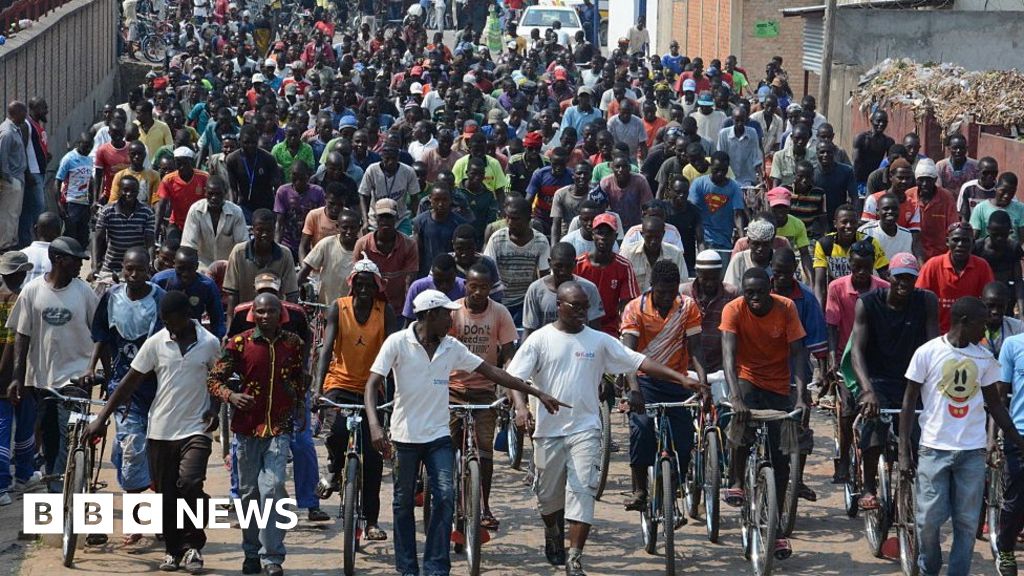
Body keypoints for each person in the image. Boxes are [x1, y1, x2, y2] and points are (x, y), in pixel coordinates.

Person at [363, 289, 565, 576]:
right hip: (404, 437)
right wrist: (374, 425)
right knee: (402, 503)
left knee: (445, 496)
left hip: (438, 437)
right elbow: (372, 385)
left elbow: (493, 372)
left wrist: (535, 392)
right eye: (446, 313)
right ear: (430, 315)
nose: (451, 318)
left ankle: (436, 567)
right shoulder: (397, 342)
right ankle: (407, 568)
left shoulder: (451, 347)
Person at [507, 281, 701, 575]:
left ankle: (575, 557)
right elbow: (515, 379)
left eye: (586, 307)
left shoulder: (599, 341)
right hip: (548, 433)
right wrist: (521, 408)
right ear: (559, 305)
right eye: (576, 306)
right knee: (548, 499)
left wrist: (681, 378)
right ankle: (552, 530)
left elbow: (640, 361)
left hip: (586, 430)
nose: (583, 312)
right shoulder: (539, 340)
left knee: (583, 491)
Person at [84, 291, 221, 574]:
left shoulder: (209, 343)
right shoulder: (156, 343)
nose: (168, 327)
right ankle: (173, 551)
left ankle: (194, 546)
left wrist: (215, 408)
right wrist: (101, 418)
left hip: (196, 428)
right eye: (164, 322)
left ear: (186, 316)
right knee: (167, 495)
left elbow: (218, 378)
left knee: (191, 482)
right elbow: (128, 384)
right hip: (160, 430)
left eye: (172, 322)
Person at [901, 296, 1024, 576]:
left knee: (967, 524)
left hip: (972, 452)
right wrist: (904, 453)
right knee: (929, 521)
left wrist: (1017, 440)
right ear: (964, 322)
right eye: (981, 324)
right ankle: (928, 567)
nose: (985, 330)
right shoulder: (927, 352)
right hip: (933, 449)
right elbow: (908, 402)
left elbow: (995, 405)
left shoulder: (984, 359)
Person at [208, 293, 305, 576]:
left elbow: (299, 378)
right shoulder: (239, 343)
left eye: (271, 311)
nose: (265, 316)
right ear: (253, 314)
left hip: (280, 428)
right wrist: (232, 396)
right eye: (260, 311)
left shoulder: (293, 343)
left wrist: (299, 407)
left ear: (280, 314)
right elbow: (214, 380)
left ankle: (272, 556)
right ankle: (251, 552)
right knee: (249, 494)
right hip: (247, 429)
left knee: (273, 489)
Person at [720, 267, 808, 559]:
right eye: (749, 292)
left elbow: (798, 353)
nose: (754, 298)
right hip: (747, 378)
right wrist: (736, 397)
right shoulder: (733, 309)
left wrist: (801, 393)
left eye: (760, 291)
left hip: (779, 385)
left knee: (782, 462)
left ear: (770, 287)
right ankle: (735, 480)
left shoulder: (786, 308)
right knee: (741, 422)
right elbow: (729, 357)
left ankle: (778, 530)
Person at [315, 258, 399, 542]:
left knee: (374, 458)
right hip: (339, 383)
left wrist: (395, 395)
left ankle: (372, 521)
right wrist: (317, 390)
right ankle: (335, 469)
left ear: (377, 288)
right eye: (359, 284)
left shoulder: (385, 311)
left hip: (371, 388)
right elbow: (326, 349)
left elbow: (393, 355)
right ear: (352, 286)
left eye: (369, 285)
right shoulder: (338, 308)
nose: (364, 289)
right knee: (338, 431)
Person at [6, 237, 98, 493]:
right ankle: (59, 495)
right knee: (50, 441)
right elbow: (21, 335)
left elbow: (101, 336)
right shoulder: (32, 291)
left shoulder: (84, 292)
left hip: (77, 381)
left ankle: (68, 492)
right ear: (58, 260)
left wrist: (100, 372)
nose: (81, 264)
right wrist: (18, 376)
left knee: (71, 439)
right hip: (42, 381)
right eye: (75, 259)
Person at [87, 247, 163, 541]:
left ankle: (153, 515)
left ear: (148, 269)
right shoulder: (111, 298)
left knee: (154, 453)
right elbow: (102, 337)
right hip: (121, 387)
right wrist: (95, 367)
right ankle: (139, 521)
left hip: (155, 387)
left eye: (140, 269)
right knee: (130, 451)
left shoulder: (158, 299)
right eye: (129, 269)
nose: (134, 275)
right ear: (122, 269)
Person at [850, 252, 938, 508]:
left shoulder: (926, 301)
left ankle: (921, 489)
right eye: (899, 278)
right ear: (888, 276)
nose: (904, 284)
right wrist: (867, 390)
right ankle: (868, 488)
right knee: (874, 423)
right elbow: (857, 351)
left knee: (922, 435)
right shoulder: (868, 303)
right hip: (877, 379)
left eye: (910, 279)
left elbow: (933, 346)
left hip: (913, 380)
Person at [621, 261, 707, 510]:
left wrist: (701, 382)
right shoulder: (634, 309)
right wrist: (634, 390)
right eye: (662, 292)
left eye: (672, 292)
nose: (667, 297)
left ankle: (677, 481)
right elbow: (628, 356)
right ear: (652, 287)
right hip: (643, 382)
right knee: (642, 429)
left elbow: (696, 348)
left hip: (677, 380)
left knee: (684, 439)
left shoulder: (687, 307)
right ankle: (639, 489)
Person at [447, 263, 517, 530]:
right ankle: (444, 498)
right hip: (453, 391)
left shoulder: (499, 313)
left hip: (485, 392)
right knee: (445, 447)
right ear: (466, 285)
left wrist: (510, 383)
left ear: (491, 288)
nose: (478, 292)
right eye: (473, 286)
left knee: (485, 453)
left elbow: (508, 352)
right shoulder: (453, 312)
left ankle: (484, 505)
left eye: (483, 287)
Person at [0, 252, 37, 505]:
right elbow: (16, 341)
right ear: (22, 272)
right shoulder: (23, 298)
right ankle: (10, 480)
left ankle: (16, 477)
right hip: (19, 374)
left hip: (10, 375)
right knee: (22, 423)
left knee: (5, 427)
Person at [222, 208, 301, 325]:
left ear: (274, 230)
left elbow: (291, 295)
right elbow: (233, 294)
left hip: (274, 319)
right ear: (252, 230)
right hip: (244, 317)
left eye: (269, 230)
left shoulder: (285, 254)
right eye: (260, 230)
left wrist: (291, 326)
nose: (264, 234)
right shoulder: (239, 252)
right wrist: (229, 327)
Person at [484, 196, 551, 325]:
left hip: (525, 301)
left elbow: (544, 277)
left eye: (515, 219)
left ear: (528, 219)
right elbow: (488, 271)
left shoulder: (541, 241)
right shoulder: (497, 239)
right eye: (507, 217)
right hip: (500, 300)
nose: (509, 222)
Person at [916, 223, 994, 333]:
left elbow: (989, 300)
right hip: (937, 333)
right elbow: (918, 299)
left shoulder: (982, 266)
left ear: (972, 243)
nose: (960, 244)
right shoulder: (933, 265)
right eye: (956, 240)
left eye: (966, 240)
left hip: (970, 334)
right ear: (948, 242)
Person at [812, 204, 888, 312]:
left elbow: (884, 275)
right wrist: (819, 312)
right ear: (835, 223)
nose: (848, 226)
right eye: (844, 222)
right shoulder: (824, 244)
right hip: (837, 297)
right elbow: (820, 284)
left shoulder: (869, 243)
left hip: (864, 296)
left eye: (853, 222)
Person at [522, 242, 604, 341]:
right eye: (558, 266)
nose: (563, 271)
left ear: (575, 263)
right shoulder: (536, 290)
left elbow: (595, 328)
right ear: (549, 263)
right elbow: (529, 330)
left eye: (568, 266)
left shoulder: (588, 289)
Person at [574, 213, 639, 337]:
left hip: (610, 328)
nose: (603, 237)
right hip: (581, 326)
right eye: (599, 232)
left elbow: (628, 304)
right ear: (593, 234)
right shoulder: (578, 264)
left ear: (615, 236)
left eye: (608, 233)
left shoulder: (624, 266)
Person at [995, 303, 1024, 575]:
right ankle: (1005, 548)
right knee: (1016, 503)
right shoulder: (1013, 345)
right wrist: (995, 434)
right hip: (1020, 435)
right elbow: (999, 396)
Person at [352, 199, 419, 313]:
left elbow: (410, 280)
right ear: (375, 219)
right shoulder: (363, 244)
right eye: (382, 217)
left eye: (389, 217)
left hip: (398, 308)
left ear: (396, 218)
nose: (385, 221)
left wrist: (408, 312)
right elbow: (355, 279)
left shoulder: (409, 245)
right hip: (370, 308)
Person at [152, 246, 227, 338]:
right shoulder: (160, 281)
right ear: (174, 264)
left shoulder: (207, 286)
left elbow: (217, 319)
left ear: (197, 266)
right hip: (162, 335)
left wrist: (217, 341)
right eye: (181, 268)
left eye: (190, 269)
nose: (185, 274)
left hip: (194, 336)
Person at [91, 174, 157, 279]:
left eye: (133, 191)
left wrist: (150, 264)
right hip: (111, 266)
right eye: (125, 190)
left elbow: (150, 240)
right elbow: (98, 238)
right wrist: (95, 266)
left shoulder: (147, 212)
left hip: (136, 267)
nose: (129, 194)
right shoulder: (107, 211)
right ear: (119, 190)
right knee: (100, 292)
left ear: (138, 192)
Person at [181, 176, 249, 269]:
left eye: (218, 194)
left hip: (229, 265)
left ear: (225, 193)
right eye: (210, 194)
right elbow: (188, 245)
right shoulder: (195, 211)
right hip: (201, 266)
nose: (214, 198)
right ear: (205, 192)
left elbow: (242, 245)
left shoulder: (236, 213)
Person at [298, 209, 361, 305]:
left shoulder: (363, 248)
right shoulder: (327, 244)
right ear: (337, 227)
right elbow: (305, 270)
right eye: (345, 227)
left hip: (352, 310)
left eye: (353, 228)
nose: (349, 232)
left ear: (359, 228)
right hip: (326, 307)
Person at [359, 145, 420, 235]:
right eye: (387, 158)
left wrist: (416, 220)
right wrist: (365, 221)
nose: (391, 162)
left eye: (394, 158)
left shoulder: (408, 171)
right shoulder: (372, 170)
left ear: (398, 157)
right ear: (382, 157)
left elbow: (414, 197)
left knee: (405, 244)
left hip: (400, 219)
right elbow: (363, 195)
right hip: (376, 220)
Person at [906, 158, 958, 261]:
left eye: (928, 179)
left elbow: (953, 227)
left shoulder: (946, 197)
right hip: (912, 254)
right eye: (921, 179)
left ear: (935, 180)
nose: (925, 184)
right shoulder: (908, 196)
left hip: (939, 255)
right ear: (916, 180)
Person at [974, 211, 1024, 316]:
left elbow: (1018, 281)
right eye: (995, 234)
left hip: (1005, 301)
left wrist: (1021, 313)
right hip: (980, 299)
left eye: (1003, 234)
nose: (999, 238)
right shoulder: (977, 248)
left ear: (1010, 231)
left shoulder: (1013, 248)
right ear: (988, 230)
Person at [619, 215, 688, 289]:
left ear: (663, 234)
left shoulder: (675, 253)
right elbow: (620, 284)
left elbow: (682, 285)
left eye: (657, 237)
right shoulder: (627, 254)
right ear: (642, 234)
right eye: (649, 237)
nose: (653, 241)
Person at [414, 184, 467, 278]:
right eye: (437, 200)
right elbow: (417, 251)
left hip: (452, 274)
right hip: (427, 274)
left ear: (451, 200)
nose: (440, 204)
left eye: (444, 200)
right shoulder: (420, 221)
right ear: (430, 199)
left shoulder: (459, 223)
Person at [274, 161, 325, 258]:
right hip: (288, 243)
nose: (298, 180)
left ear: (308, 176)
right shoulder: (283, 192)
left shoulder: (318, 192)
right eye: (294, 176)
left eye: (301, 177)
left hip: (310, 244)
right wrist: (276, 248)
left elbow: (321, 222)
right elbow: (279, 223)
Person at [157, 147, 210, 240]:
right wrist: (156, 229)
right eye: (178, 163)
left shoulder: (204, 177)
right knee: (170, 247)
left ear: (192, 163)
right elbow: (161, 206)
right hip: (177, 224)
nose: (181, 167)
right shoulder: (168, 180)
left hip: (199, 223)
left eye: (185, 163)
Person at [54, 133, 95, 247]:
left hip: (85, 203)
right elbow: (57, 181)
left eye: (90, 146)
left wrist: (92, 200)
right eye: (86, 146)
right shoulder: (69, 159)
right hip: (71, 203)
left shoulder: (89, 160)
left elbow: (90, 181)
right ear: (78, 144)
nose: (88, 149)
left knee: (83, 237)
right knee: (71, 235)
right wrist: (59, 204)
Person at [401, 254, 466, 323]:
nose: (444, 285)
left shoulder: (465, 288)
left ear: (456, 273)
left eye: (448, 280)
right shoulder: (418, 288)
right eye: (438, 281)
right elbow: (409, 322)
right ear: (433, 275)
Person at [0, 102, 28, 250]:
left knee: (14, 214)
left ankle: (10, 242)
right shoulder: (7, 132)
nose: (26, 115)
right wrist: (10, 180)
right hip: (12, 181)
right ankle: (4, 246)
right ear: (15, 113)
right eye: (24, 112)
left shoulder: (16, 130)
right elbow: (2, 158)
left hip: (18, 178)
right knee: (8, 214)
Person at [858, 192, 915, 261]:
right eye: (886, 209)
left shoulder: (907, 235)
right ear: (878, 211)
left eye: (894, 209)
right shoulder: (866, 232)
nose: (890, 211)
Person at [716, 107, 763, 187]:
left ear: (746, 119)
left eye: (742, 120)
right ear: (732, 119)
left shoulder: (752, 133)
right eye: (737, 120)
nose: (740, 123)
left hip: (748, 179)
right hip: (728, 179)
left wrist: (761, 179)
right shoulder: (724, 134)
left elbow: (756, 157)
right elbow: (720, 157)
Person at [970, 172, 1024, 241]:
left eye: (1011, 192)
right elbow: (974, 237)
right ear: (996, 188)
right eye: (1003, 191)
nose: (1006, 196)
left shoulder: (1021, 209)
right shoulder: (980, 209)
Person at [723, 218, 775, 288]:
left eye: (765, 244)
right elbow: (730, 290)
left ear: (771, 243)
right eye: (756, 244)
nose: (760, 249)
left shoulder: (778, 260)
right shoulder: (739, 259)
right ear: (748, 242)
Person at [852, 110, 894, 191]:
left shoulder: (888, 142)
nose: (881, 124)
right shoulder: (861, 138)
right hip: (860, 180)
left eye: (884, 122)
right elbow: (855, 162)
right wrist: (853, 183)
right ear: (871, 121)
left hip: (876, 179)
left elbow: (890, 163)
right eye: (878, 121)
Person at [22, 212, 60, 285]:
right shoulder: (61, 259)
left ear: (35, 229)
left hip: (22, 296)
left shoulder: (21, 255)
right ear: (59, 232)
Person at [957, 156, 999, 222]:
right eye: (985, 173)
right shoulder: (968, 188)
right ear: (978, 172)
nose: (990, 176)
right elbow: (963, 216)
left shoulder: (1000, 189)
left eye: (994, 173)